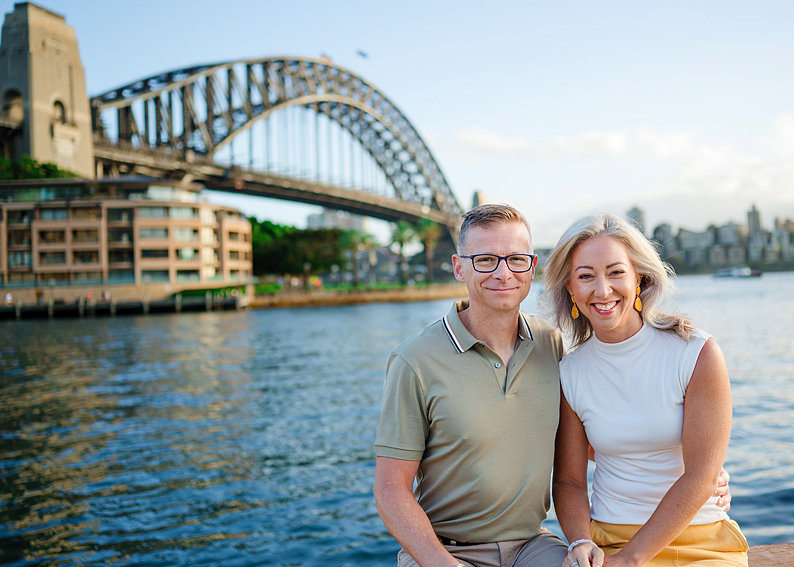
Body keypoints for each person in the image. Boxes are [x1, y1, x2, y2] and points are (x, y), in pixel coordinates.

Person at [373, 204, 731, 567]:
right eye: (485, 260)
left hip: (531, 544)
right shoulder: (414, 360)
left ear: (532, 268)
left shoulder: (550, 347)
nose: (502, 273)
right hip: (446, 549)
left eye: (515, 259)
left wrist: (702, 468)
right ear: (459, 267)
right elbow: (390, 491)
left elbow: (595, 438)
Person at [544, 213, 748, 567]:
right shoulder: (570, 372)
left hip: (702, 538)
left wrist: (632, 559)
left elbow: (701, 474)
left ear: (639, 277)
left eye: (616, 272)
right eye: (586, 276)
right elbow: (569, 481)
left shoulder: (696, 353)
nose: (603, 289)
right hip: (608, 539)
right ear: (571, 290)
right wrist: (579, 542)